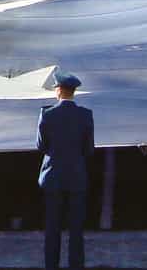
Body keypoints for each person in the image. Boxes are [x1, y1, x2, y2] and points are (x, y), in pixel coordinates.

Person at [37, 73, 94, 270]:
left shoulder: (47, 114)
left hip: (53, 176)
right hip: (76, 177)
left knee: (52, 227)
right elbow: (88, 149)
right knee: (76, 229)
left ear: (59, 90)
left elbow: (41, 146)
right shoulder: (86, 115)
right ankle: (76, 265)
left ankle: (51, 265)